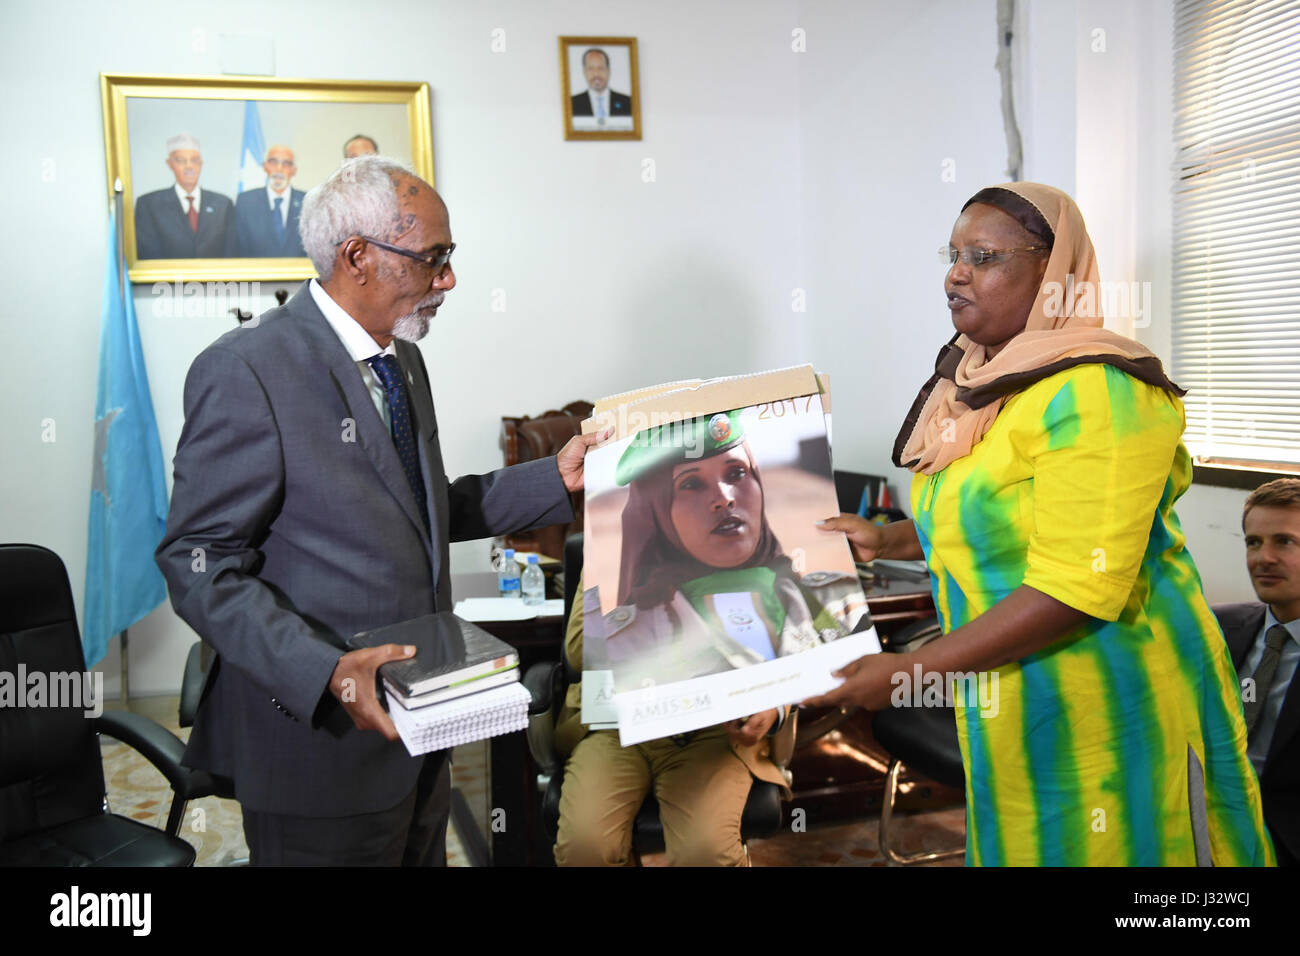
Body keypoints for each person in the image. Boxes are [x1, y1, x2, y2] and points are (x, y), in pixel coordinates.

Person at [807, 182, 1275, 866]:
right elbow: (1001, 516)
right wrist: (891, 539)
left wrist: (908, 668)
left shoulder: (1100, 389)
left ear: (1054, 278)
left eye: (985, 256)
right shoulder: (986, 383)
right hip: (1011, 687)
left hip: (1113, 699)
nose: (955, 273)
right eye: (954, 253)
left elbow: (1074, 587)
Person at [155, 154, 598, 866]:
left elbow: (424, 508)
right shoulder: (249, 369)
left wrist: (559, 479)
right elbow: (198, 563)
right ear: (356, 256)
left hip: (418, 733)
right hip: (318, 746)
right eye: (434, 258)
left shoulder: (400, 359)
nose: (448, 279)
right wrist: (327, 671)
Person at [595, 409, 867, 690]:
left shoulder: (841, 602)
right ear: (657, 513)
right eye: (691, 484)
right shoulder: (623, 645)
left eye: (737, 472)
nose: (724, 499)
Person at [552, 571, 791, 867]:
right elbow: (579, 653)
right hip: (616, 726)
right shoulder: (610, 550)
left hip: (713, 731)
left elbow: (792, 648)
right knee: (584, 849)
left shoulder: (740, 552)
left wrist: (776, 702)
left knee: (706, 854)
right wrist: (624, 578)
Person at [1216, 478, 1300, 866]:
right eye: (1253, 542)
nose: (1262, 558)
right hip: (1205, 823)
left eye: (1284, 542)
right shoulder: (1216, 626)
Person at [133, 133, 232, 259]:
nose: (189, 166)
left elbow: (230, 255)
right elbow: (148, 257)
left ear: (201, 164)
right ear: (169, 164)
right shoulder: (149, 205)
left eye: (194, 160)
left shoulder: (223, 205)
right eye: (181, 160)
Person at [225, 144, 306, 257]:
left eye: (286, 163)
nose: (279, 168)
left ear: (294, 171)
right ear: (264, 166)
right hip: (256, 273)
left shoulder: (307, 202)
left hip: (301, 273)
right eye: (273, 162)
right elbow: (236, 248)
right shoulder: (246, 202)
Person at [570, 48, 633, 122]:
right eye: (591, 69)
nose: (596, 74)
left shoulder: (628, 102)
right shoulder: (572, 104)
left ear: (608, 70)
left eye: (600, 68)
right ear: (584, 71)